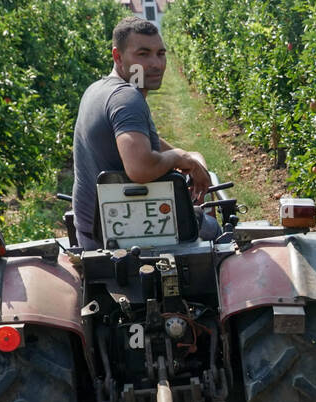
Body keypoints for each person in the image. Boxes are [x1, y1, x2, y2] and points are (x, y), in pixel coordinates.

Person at [71, 17, 217, 250]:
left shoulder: (97, 90)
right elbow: (140, 168)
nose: (156, 64)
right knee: (217, 232)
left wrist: (189, 156)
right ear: (118, 57)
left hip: (92, 235)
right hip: (129, 241)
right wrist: (179, 157)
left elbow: (141, 141)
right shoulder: (128, 98)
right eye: (143, 54)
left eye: (160, 54)